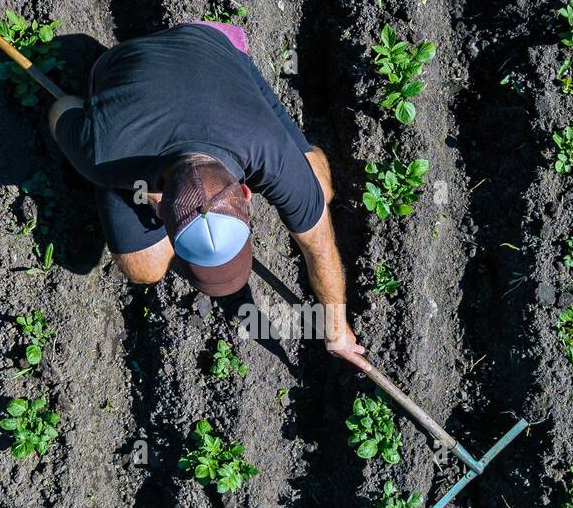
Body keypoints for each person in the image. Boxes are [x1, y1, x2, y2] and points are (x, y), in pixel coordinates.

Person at [47, 21, 363, 359]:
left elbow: (321, 248)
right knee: (144, 267)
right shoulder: (103, 152)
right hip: (123, 64)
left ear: (246, 192)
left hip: (216, 50)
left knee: (318, 188)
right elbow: (61, 109)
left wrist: (335, 327)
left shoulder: (269, 151)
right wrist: (103, 126)